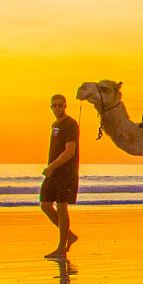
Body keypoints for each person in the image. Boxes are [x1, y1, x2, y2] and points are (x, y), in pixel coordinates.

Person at [39, 93, 80, 259]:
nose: (57, 108)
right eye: (54, 105)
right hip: (53, 171)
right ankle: (69, 236)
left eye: (60, 105)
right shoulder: (54, 124)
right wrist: (51, 168)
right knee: (46, 205)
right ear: (51, 107)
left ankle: (61, 247)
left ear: (65, 106)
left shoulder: (70, 124)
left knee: (62, 207)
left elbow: (70, 151)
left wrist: (52, 166)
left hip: (66, 171)